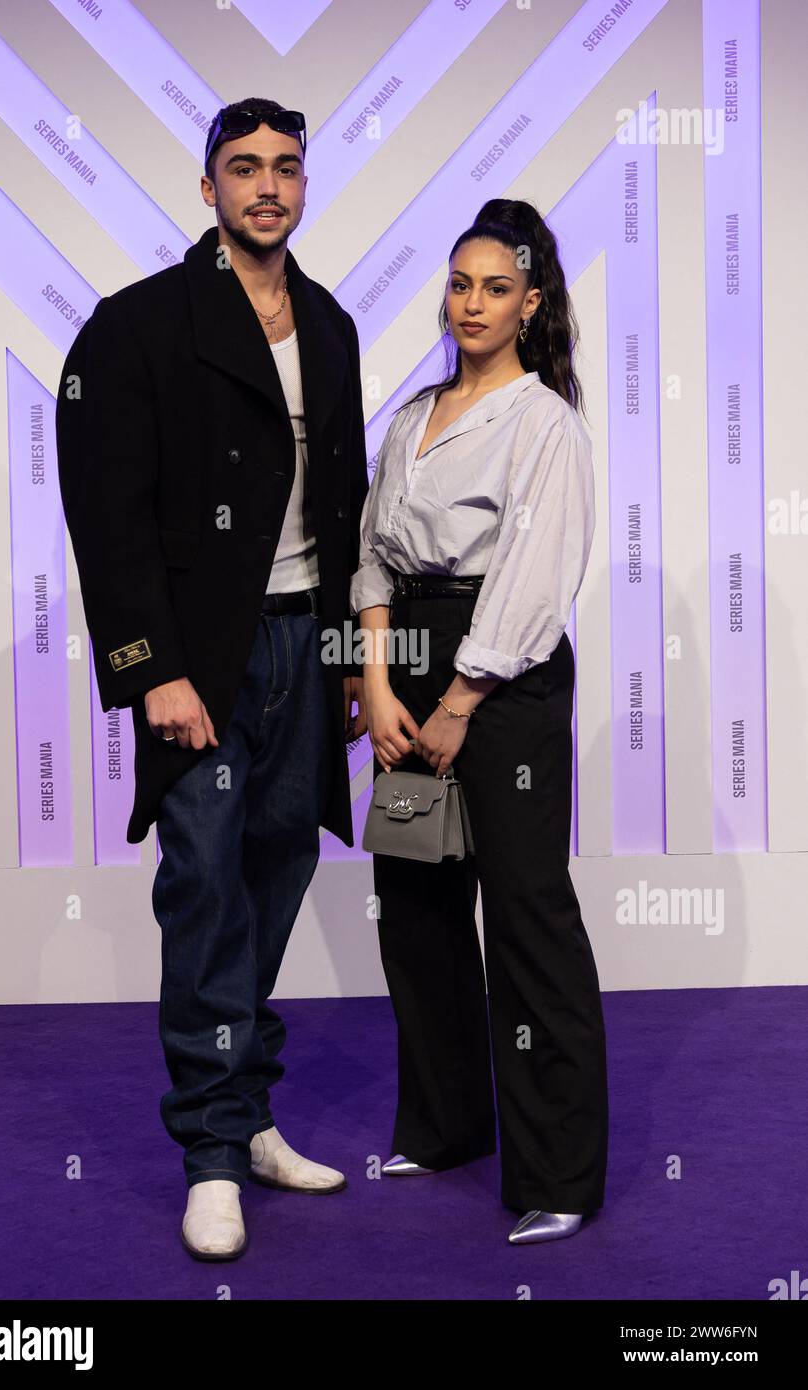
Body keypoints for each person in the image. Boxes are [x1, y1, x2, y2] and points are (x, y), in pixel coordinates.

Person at [56, 98, 368, 1261]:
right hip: (203, 663)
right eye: (244, 169)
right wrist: (154, 672)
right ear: (207, 189)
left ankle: (248, 1112)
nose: (267, 187)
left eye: (286, 167)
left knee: (278, 870)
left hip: (303, 644)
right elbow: (107, 513)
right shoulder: (136, 326)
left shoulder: (329, 324)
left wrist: (346, 659)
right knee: (205, 890)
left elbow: (342, 511)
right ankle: (209, 1153)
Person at [350, 198, 608, 1245]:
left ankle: (557, 1171)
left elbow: (531, 584)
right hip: (402, 656)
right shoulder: (411, 417)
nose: (470, 303)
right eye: (458, 284)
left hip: (499, 682)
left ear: (528, 303)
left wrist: (458, 699)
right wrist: (373, 677)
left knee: (524, 915)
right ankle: (446, 1125)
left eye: (494, 287)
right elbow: (370, 548)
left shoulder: (543, 421)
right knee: (413, 902)